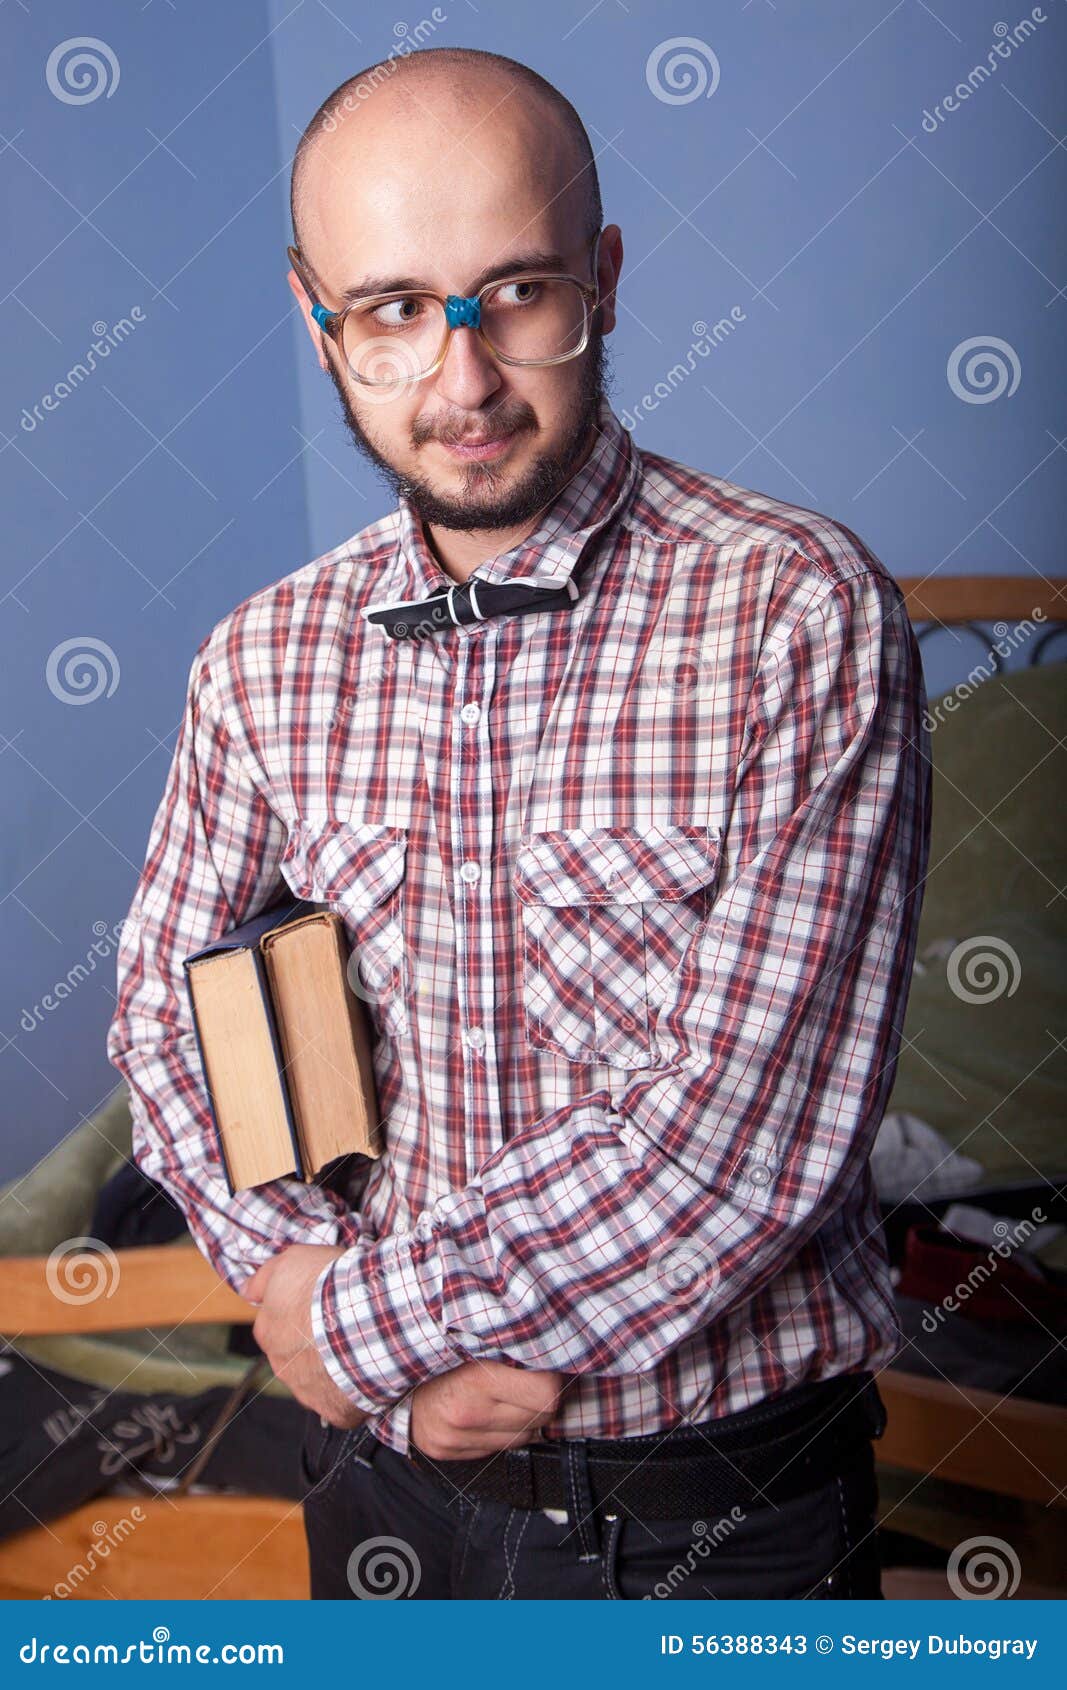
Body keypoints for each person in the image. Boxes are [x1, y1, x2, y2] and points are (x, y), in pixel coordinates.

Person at [107, 45, 933, 1600]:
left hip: (717, 1510)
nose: (463, 379)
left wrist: (345, 1331)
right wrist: (305, 1289)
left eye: (519, 292)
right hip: (379, 1492)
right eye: (395, 310)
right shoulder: (261, 658)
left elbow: (732, 1143)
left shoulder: (797, 612)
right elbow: (169, 1020)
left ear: (604, 278)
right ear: (318, 317)